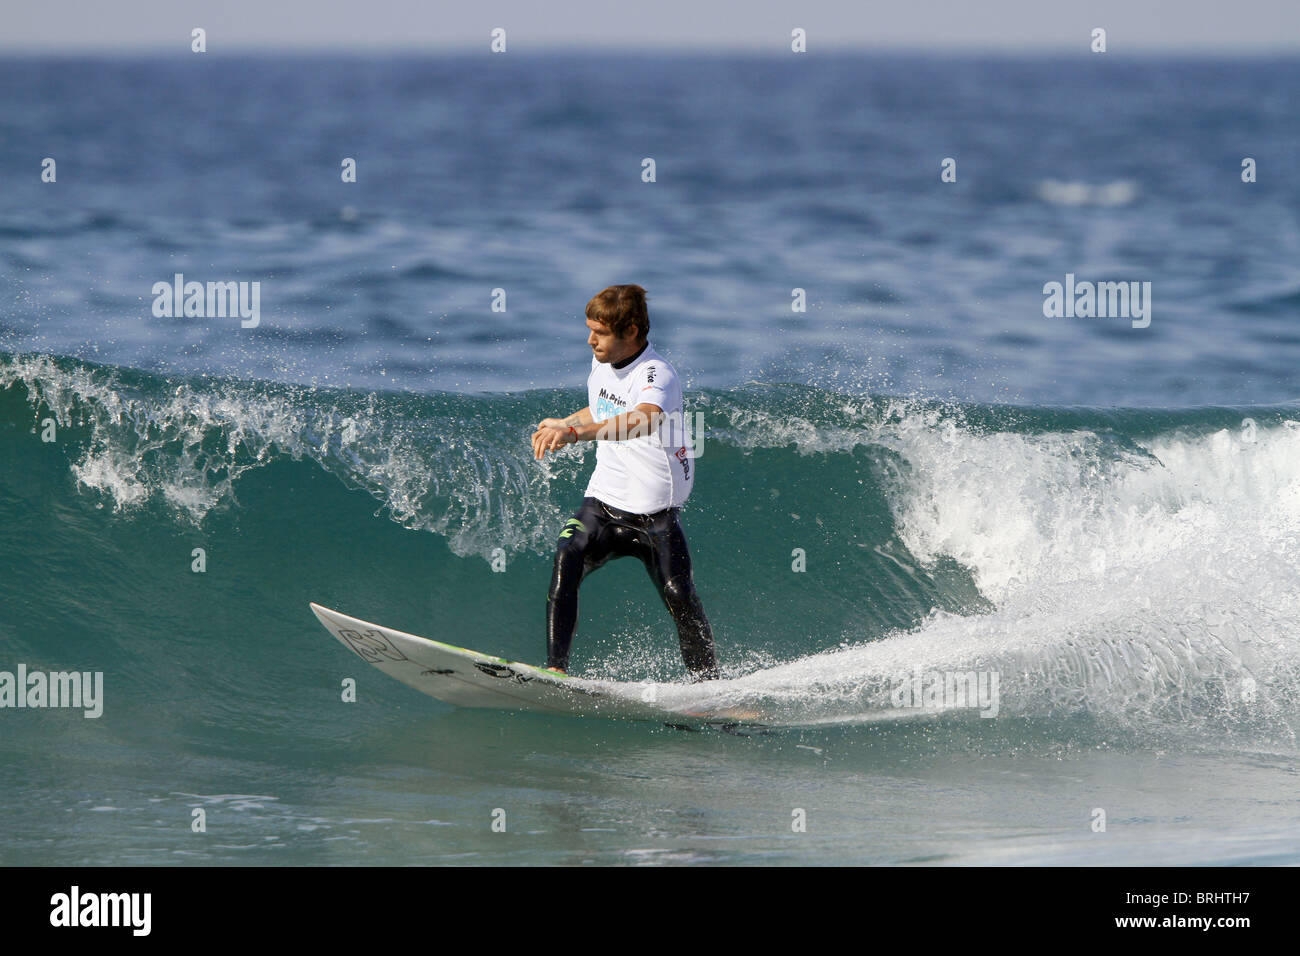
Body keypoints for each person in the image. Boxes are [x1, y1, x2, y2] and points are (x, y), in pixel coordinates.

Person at [531, 284, 719, 681]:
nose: (590, 340)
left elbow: (643, 418)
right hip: (604, 499)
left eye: (600, 333)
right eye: (589, 329)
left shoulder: (658, 374)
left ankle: (708, 687)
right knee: (567, 555)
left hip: (655, 515)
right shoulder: (601, 363)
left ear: (631, 332)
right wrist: (569, 422)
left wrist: (578, 435)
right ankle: (555, 671)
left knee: (679, 596)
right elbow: (603, 407)